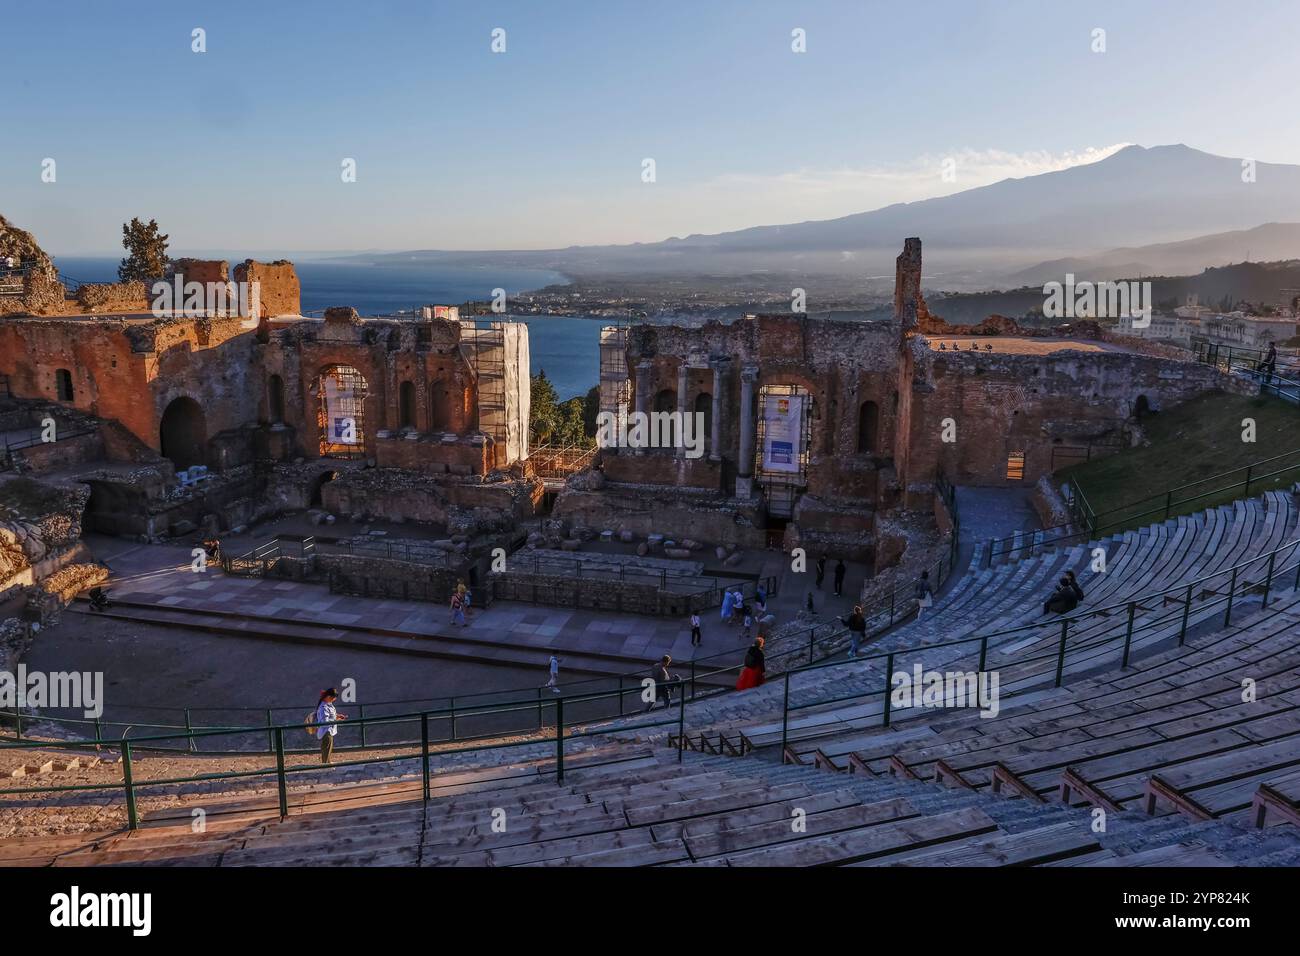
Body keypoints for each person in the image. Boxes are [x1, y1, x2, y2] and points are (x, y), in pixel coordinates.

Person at [314, 688, 346, 765]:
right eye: (333, 698)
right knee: (326, 748)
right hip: (326, 731)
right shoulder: (323, 707)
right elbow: (325, 721)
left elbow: (330, 715)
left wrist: (337, 716)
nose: (333, 700)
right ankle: (325, 764)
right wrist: (335, 720)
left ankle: (326, 762)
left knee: (328, 748)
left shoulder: (328, 705)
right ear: (328, 697)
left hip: (329, 730)